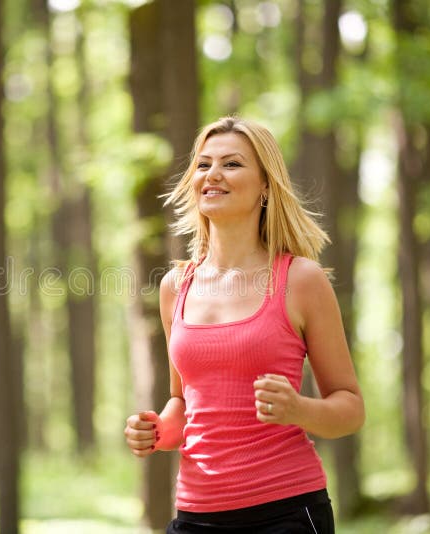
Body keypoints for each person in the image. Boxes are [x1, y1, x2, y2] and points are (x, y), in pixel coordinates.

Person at [123, 116, 365, 533]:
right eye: (203, 165)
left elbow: (350, 408)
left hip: (285, 512)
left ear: (266, 186)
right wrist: (159, 430)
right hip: (196, 515)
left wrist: (298, 409)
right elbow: (185, 403)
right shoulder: (175, 286)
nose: (213, 174)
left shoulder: (300, 280)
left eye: (232, 164)